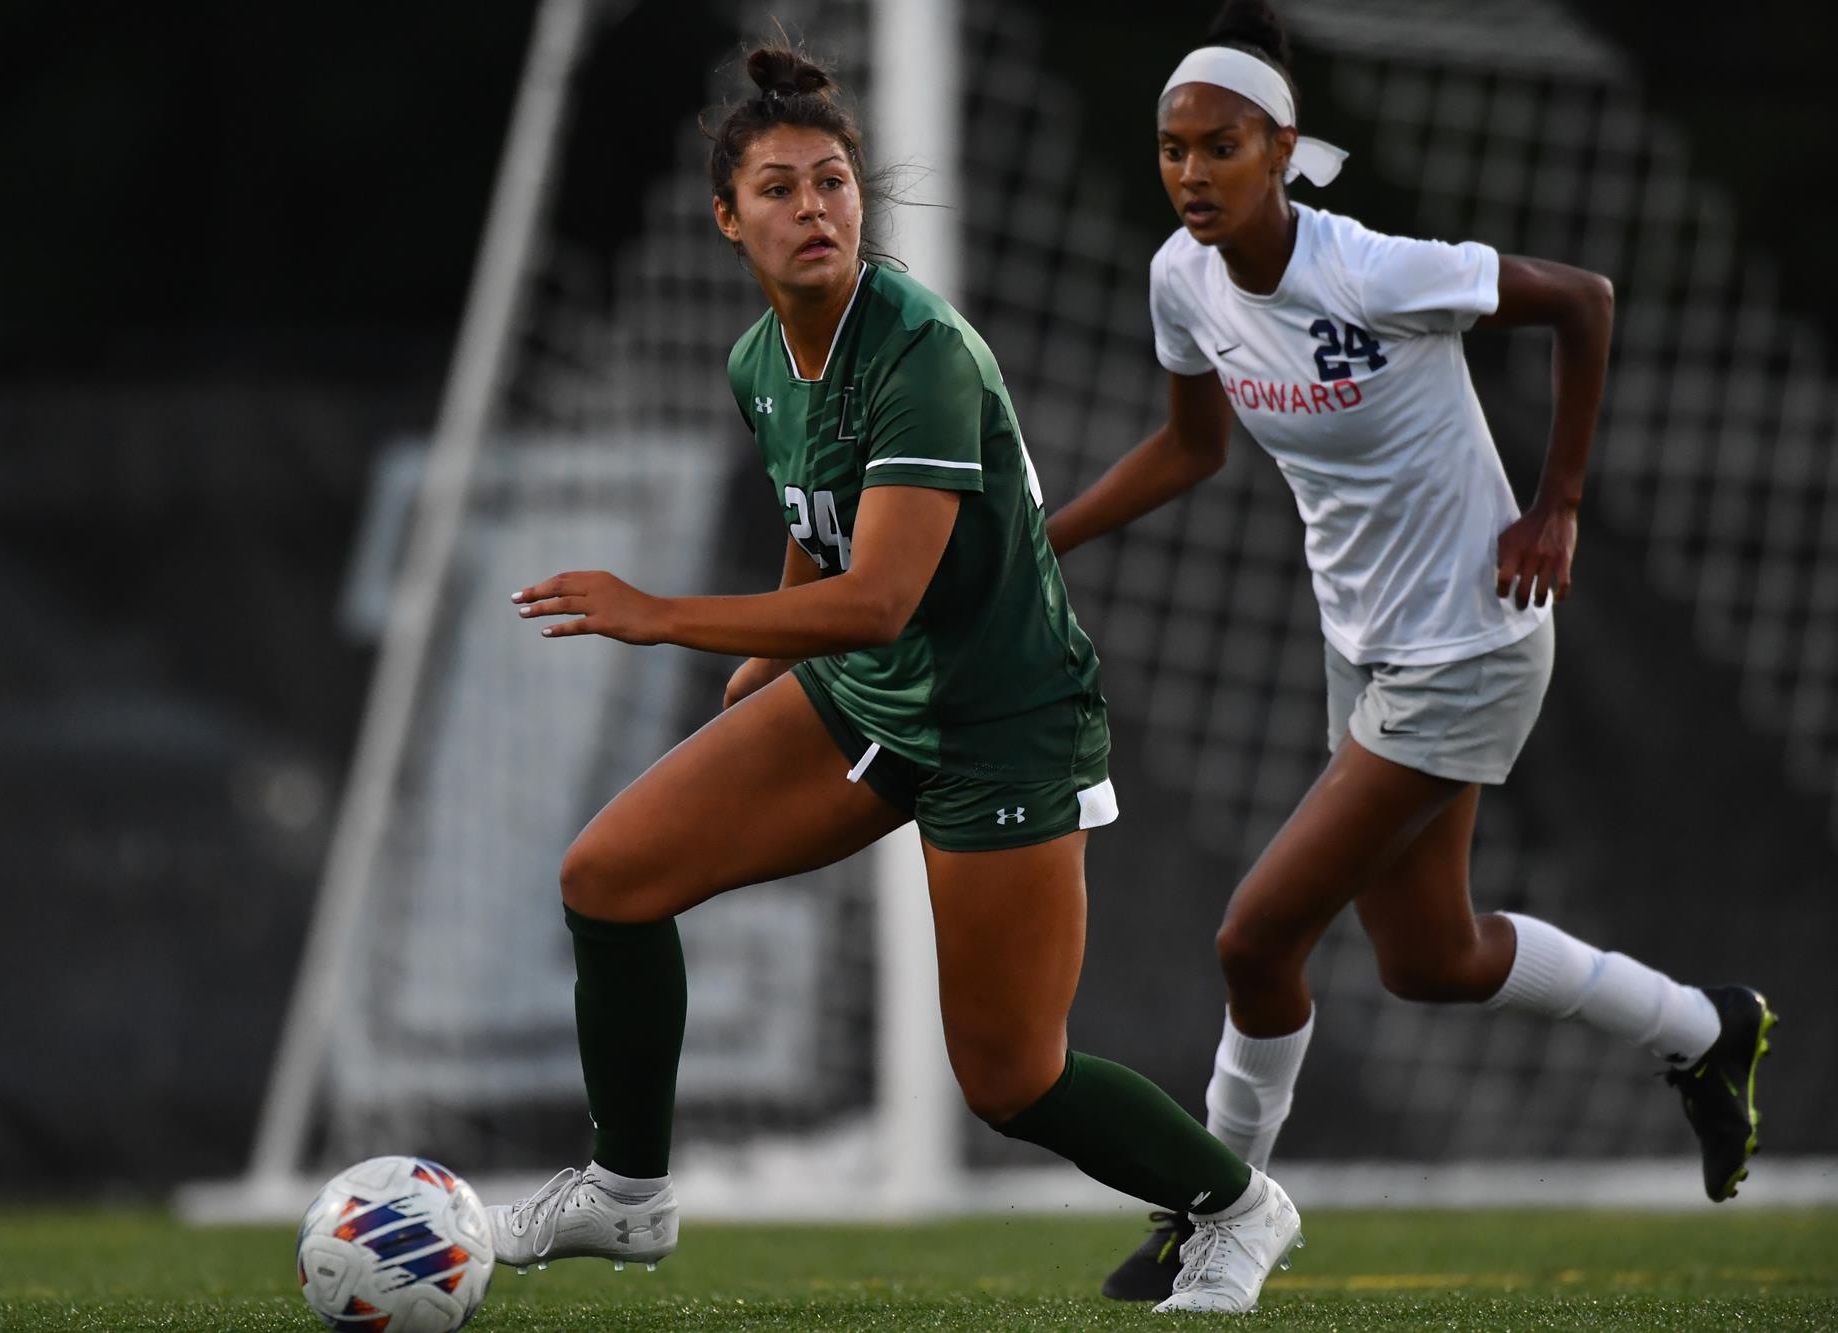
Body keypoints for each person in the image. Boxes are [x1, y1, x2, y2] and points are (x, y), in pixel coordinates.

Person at [494, 42, 1302, 1315]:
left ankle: (1239, 1207)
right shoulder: (759, 360)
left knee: (1010, 1080)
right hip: (871, 698)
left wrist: (660, 617)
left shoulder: (921, 349)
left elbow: (880, 596)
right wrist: (765, 645)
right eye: (777, 188)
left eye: (831, 182)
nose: (811, 207)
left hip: (1003, 725)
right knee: (607, 879)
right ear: (727, 219)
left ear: (861, 203)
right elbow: (820, 527)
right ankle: (627, 1190)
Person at [1046, 0, 1777, 1304]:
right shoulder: (1183, 279)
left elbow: (1582, 301)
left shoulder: (1371, 269)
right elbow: (1191, 449)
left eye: (1222, 147)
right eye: (1172, 149)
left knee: (1253, 939)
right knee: (1428, 960)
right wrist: (1043, 540)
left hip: (1471, 648)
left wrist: (1555, 502)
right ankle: (1704, 1027)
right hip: (1366, 647)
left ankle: (1216, 1212)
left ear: (1281, 149)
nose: (1192, 174)